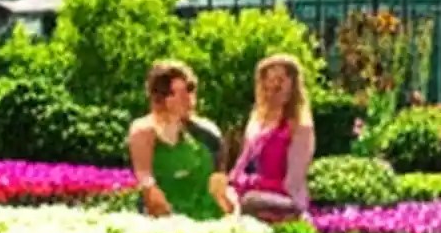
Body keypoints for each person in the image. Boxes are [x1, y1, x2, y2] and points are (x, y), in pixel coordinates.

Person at [127, 60, 231, 221]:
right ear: (160, 97)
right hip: (167, 219)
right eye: (179, 93)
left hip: (209, 216)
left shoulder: (207, 132)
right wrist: (174, 224)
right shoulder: (144, 130)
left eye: (190, 90)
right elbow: (146, 181)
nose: (188, 98)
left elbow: (219, 186)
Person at [228, 54, 316, 222]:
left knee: (251, 201)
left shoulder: (299, 127)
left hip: (282, 201)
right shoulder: (256, 121)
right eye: (267, 80)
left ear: (292, 86)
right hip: (248, 193)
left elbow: (292, 182)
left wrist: (252, 185)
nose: (273, 85)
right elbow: (242, 164)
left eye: (280, 80)